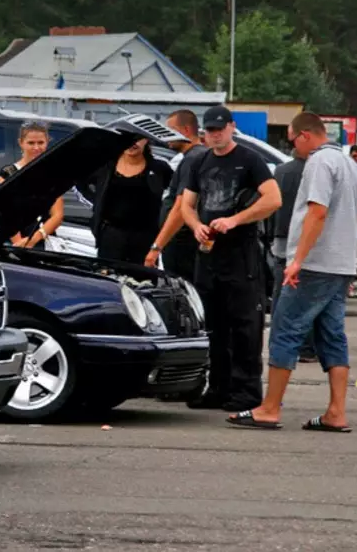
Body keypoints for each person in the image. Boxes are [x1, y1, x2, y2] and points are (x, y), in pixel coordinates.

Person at [226, 112, 357, 431]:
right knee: (332, 336)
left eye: (291, 138)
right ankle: (336, 412)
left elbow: (318, 211)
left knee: (285, 329)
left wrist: (297, 259)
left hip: (314, 264)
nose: (291, 145)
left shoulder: (318, 163)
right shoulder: (349, 163)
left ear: (304, 135)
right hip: (340, 263)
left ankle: (269, 408)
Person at [180, 105, 282, 411]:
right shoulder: (200, 161)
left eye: (220, 129)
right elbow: (186, 204)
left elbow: (274, 199)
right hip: (209, 255)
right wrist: (196, 225)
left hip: (241, 254)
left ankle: (247, 391)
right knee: (213, 325)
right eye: (210, 131)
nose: (215, 135)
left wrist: (236, 220)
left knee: (244, 326)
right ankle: (218, 387)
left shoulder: (250, 160)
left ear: (232, 127)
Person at [76, 135, 173, 263]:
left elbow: (176, 193)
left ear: (147, 140)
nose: (133, 143)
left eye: (138, 138)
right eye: (128, 138)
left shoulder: (159, 167)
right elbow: (80, 182)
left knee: (142, 279)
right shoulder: (106, 166)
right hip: (111, 234)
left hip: (145, 236)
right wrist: (97, 202)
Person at [145, 109, 208, 276]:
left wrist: (157, 246)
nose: (166, 135)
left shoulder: (193, 159)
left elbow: (181, 207)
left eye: (170, 130)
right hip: (183, 241)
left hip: (182, 243)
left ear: (186, 130)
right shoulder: (195, 156)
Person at [271, 148, 318, 363]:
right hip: (305, 238)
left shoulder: (280, 171)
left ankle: (276, 342)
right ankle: (307, 347)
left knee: (281, 292)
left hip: (281, 236)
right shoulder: (315, 172)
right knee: (306, 296)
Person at [0, 120, 64, 249]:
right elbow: (5, 213)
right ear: (21, 143)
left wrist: (34, 239)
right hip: (14, 240)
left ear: (47, 142)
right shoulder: (7, 173)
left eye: (40, 143)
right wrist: (18, 243)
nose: (36, 147)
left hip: (43, 239)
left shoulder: (53, 173)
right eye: (31, 143)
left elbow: (57, 215)